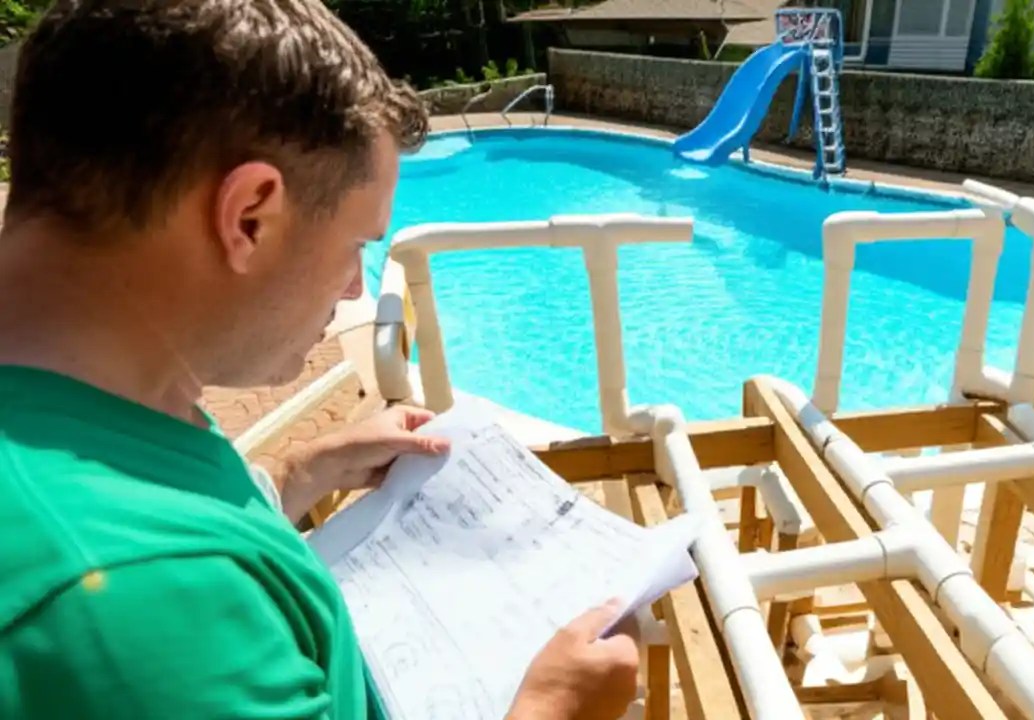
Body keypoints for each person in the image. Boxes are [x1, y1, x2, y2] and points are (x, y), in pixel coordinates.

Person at [0, 1, 639, 718]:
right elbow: (145, 592)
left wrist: (297, 473)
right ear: (250, 217)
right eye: (355, 246)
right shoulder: (137, 595)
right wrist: (555, 706)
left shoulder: (106, 390)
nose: (351, 289)